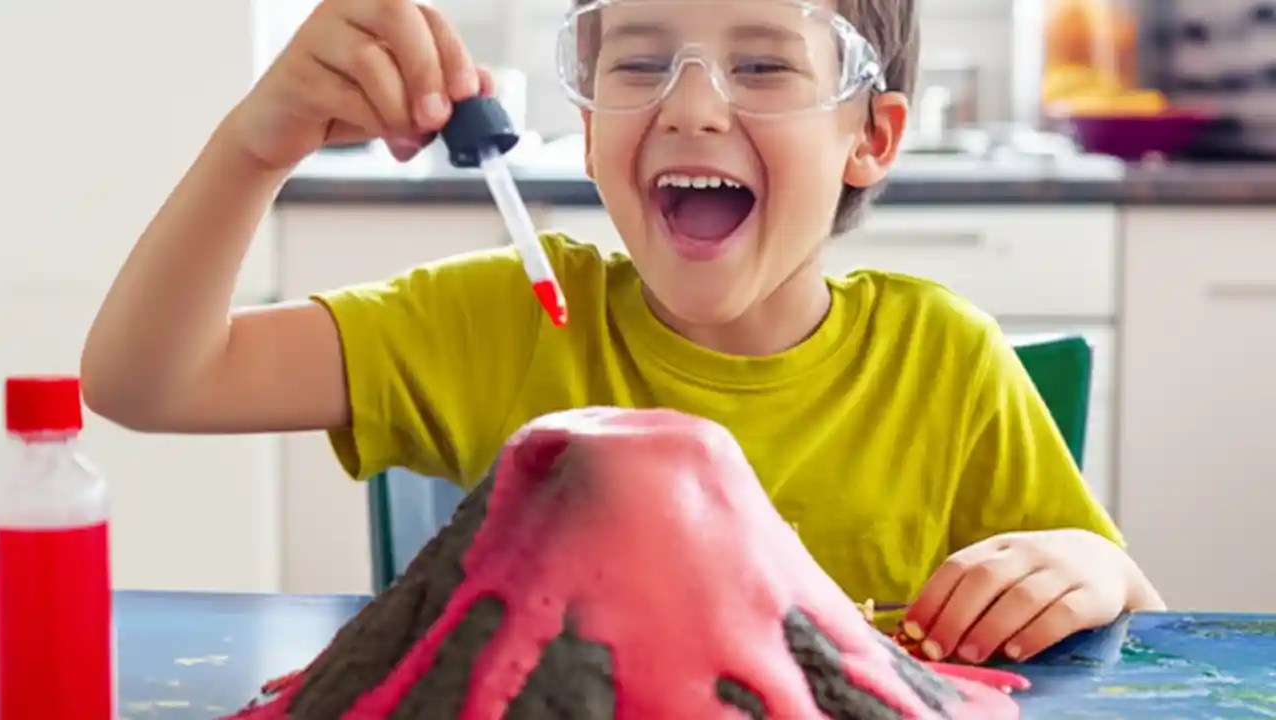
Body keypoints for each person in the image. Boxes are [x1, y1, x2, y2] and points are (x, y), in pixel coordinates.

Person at [80, 0, 1165, 667]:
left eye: (760, 64)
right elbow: (148, 383)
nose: (691, 108)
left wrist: (1092, 569)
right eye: (640, 62)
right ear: (589, 122)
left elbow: (1140, 633)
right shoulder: (503, 320)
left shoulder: (945, 364)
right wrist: (255, 146)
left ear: (868, 137)